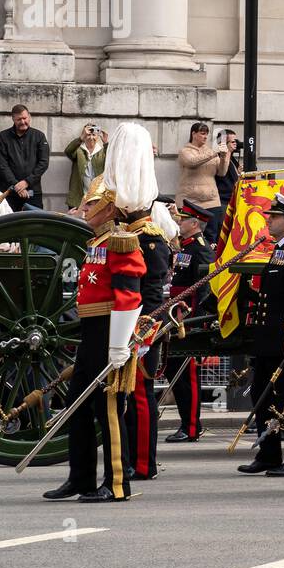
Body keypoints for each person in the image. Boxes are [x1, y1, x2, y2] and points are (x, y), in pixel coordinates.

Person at [43, 123, 157, 504]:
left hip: (112, 333)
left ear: (108, 206)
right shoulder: (96, 242)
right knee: (78, 404)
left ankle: (117, 482)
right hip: (92, 332)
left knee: (109, 406)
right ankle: (81, 478)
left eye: (90, 204)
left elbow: (128, 295)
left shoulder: (122, 241)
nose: (84, 209)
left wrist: (119, 345)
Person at [238, 193, 284, 476]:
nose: (268, 220)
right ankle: (269, 454)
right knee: (263, 394)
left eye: (274, 216)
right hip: (269, 339)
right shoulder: (280, 250)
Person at [123, 196, 176, 482]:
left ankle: (144, 463)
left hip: (144, 326)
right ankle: (132, 458)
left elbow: (152, 292)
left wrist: (142, 330)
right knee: (130, 396)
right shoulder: (131, 234)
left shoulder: (149, 238)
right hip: (131, 324)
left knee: (141, 394)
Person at [164, 202, 215, 443]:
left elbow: (203, 289)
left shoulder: (201, 249)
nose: (179, 221)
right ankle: (188, 423)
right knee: (176, 370)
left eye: (183, 219)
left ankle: (192, 427)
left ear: (194, 224)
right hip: (177, 315)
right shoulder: (186, 247)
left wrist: (195, 319)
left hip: (188, 319)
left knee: (188, 374)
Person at [0, 104, 49, 211]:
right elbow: (2, 165)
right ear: (13, 119)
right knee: (10, 225)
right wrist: (16, 185)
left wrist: (26, 182)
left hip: (33, 192)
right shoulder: (2, 137)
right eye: (19, 119)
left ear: (29, 116)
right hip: (10, 192)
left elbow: (43, 162)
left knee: (35, 224)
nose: (23, 122)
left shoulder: (39, 136)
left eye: (25, 118)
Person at [177, 123, 229, 216]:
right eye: (202, 133)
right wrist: (214, 152)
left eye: (206, 134)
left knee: (212, 230)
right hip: (190, 201)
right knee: (189, 230)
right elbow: (191, 162)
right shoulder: (184, 151)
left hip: (212, 201)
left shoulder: (210, 151)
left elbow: (222, 173)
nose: (205, 137)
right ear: (193, 134)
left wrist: (224, 156)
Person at [64, 124, 108, 210]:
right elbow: (68, 151)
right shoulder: (78, 150)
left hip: (97, 199)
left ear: (97, 136)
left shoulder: (102, 152)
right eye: (88, 134)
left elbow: (112, 160)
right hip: (78, 199)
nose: (91, 137)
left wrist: (106, 143)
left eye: (94, 134)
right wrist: (80, 138)